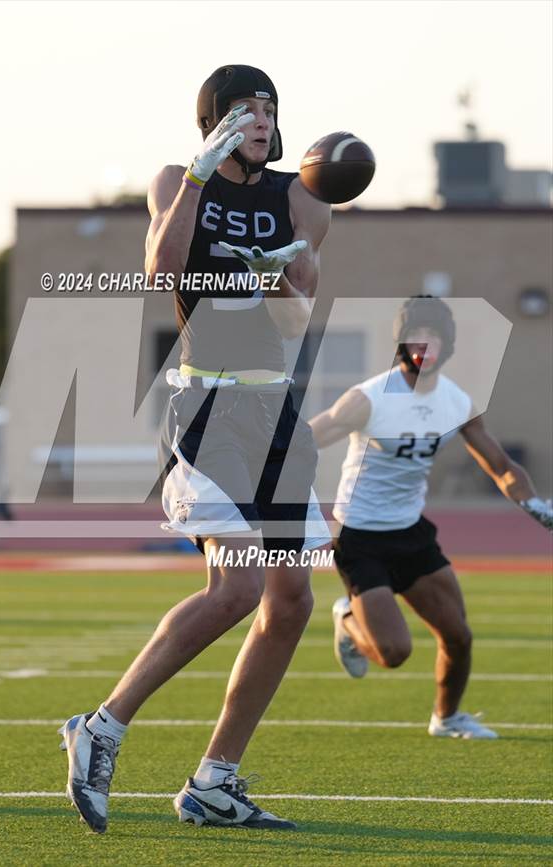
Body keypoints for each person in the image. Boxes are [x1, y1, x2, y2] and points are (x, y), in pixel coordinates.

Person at [59, 65, 331, 833]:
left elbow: (299, 306)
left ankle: (215, 780)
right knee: (239, 586)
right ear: (213, 119)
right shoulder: (181, 178)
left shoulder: (301, 195)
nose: (263, 119)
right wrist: (199, 183)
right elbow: (161, 270)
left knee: (290, 601)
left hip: (274, 403)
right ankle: (102, 725)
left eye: (271, 107)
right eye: (246, 107)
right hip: (207, 395)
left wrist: (282, 272)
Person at [309, 295, 553, 739]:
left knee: (458, 636)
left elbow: (499, 465)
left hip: (412, 533)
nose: (425, 348)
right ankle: (347, 619)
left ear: (448, 346)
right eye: (416, 339)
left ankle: (447, 718)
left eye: (434, 339)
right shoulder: (369, 397)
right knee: (394, 653)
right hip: (360, 536)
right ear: (401, 344)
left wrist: (532, 502)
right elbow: (309, 438)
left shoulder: (456, 400)